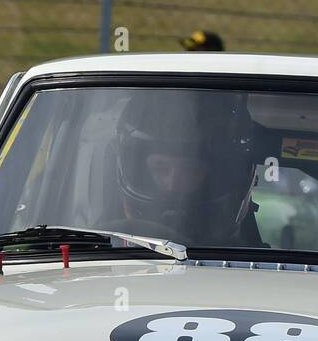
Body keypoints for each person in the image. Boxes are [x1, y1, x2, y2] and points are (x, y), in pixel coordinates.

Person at [111, 89, 261, 245]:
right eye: (160, 168)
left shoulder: (249, 263)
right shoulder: (99, 241)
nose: (172, 184)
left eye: (190, 170)